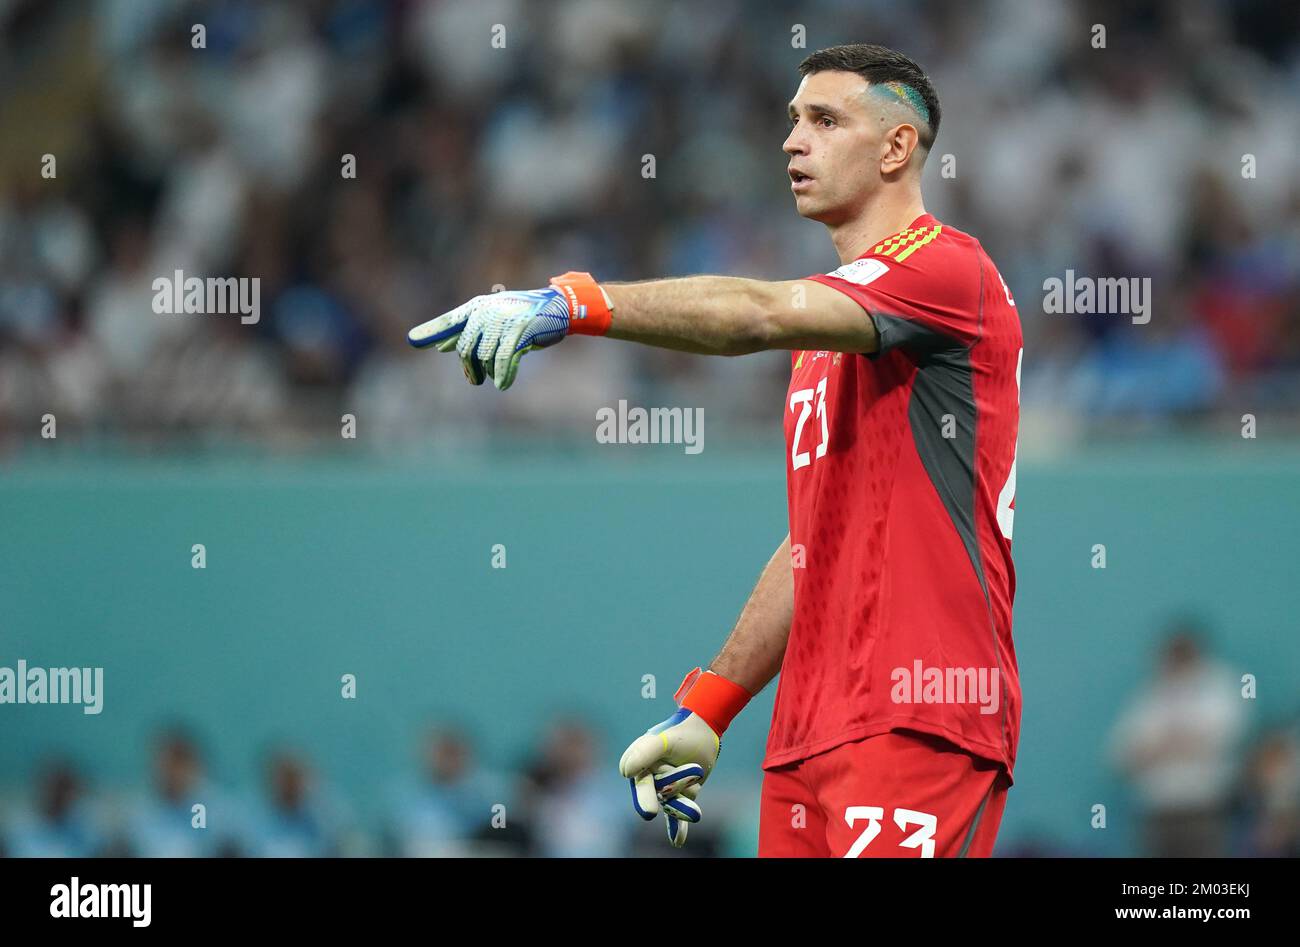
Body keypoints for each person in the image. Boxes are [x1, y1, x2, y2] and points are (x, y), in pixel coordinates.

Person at [408, 44, 1022, 858]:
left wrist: (576, 302)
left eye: (824, 120)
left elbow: (754, 315)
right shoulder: (827, 345)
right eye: (793, 121)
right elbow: (815, 543)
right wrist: (711, 705)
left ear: (896, 147)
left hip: (918, 712)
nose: (792, 142)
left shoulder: (946, 268)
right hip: (808, 735)